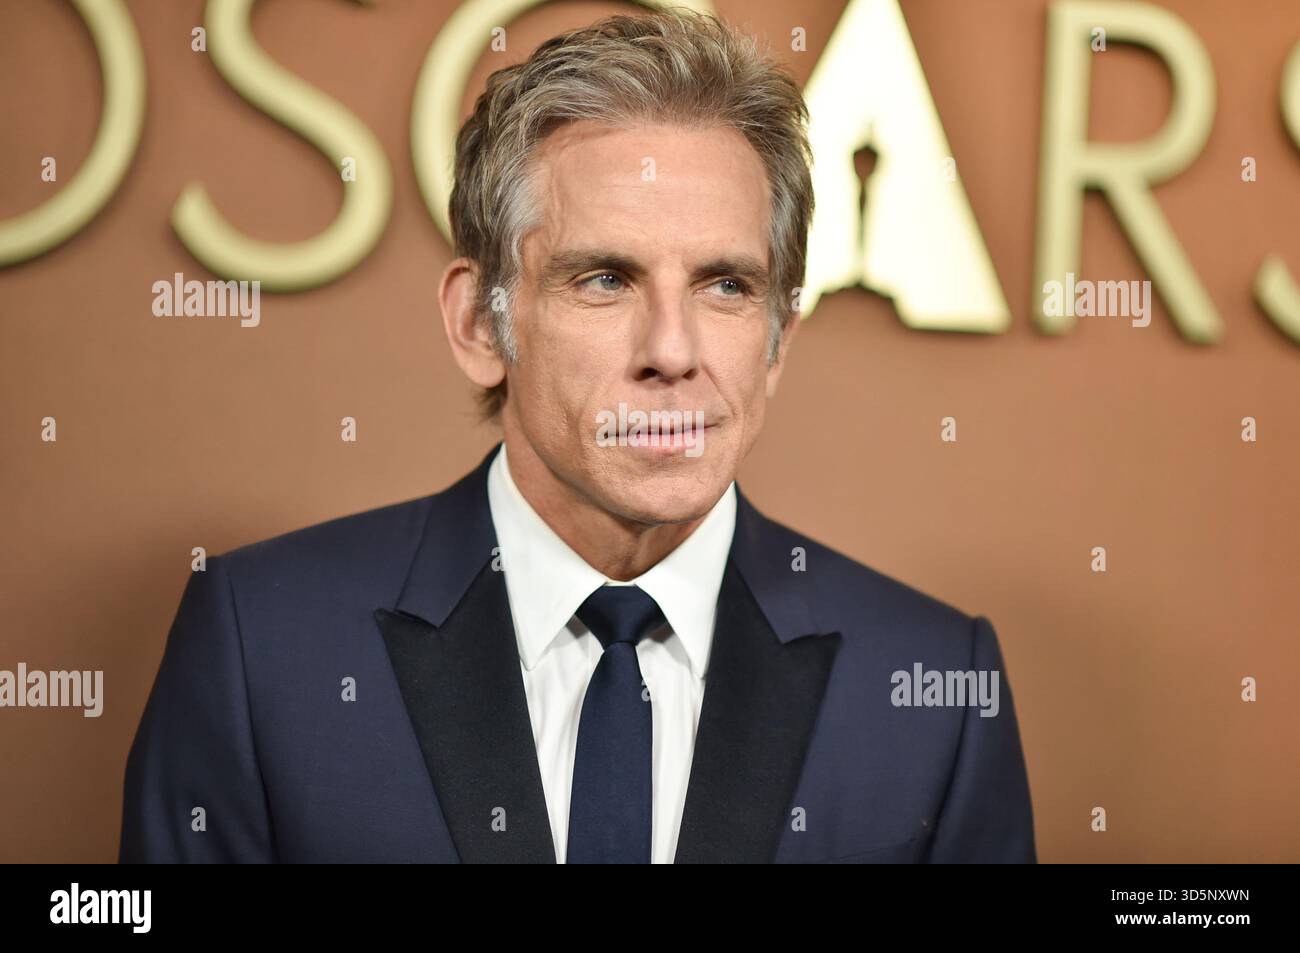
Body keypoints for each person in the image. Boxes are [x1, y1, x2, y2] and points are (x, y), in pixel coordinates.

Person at [120, 8, 1034, 863]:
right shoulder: (261, 644)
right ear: (481, 324)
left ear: (777, 343)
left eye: (726, 286)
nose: (671, 352)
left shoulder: (931, 686)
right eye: (604, 279)